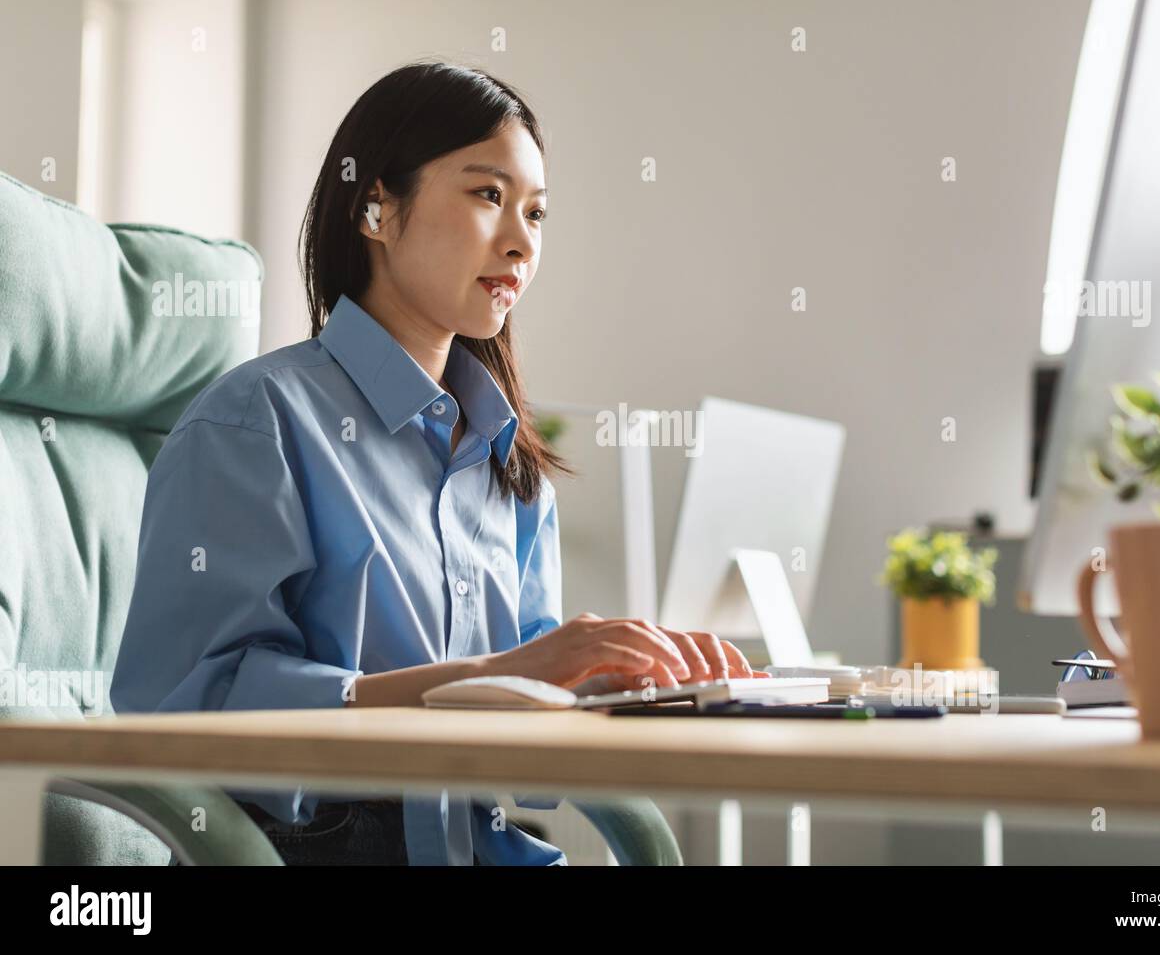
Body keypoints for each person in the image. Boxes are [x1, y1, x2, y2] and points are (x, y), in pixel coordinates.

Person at [111, 61, 763, 866]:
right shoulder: (255, 422)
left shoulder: (505, 457)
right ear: (376, 208)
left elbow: (524, 711)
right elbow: (186, 717)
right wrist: (498, 673)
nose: (522, 242)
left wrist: (616, 684)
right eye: (488, 196)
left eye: (537, 213)